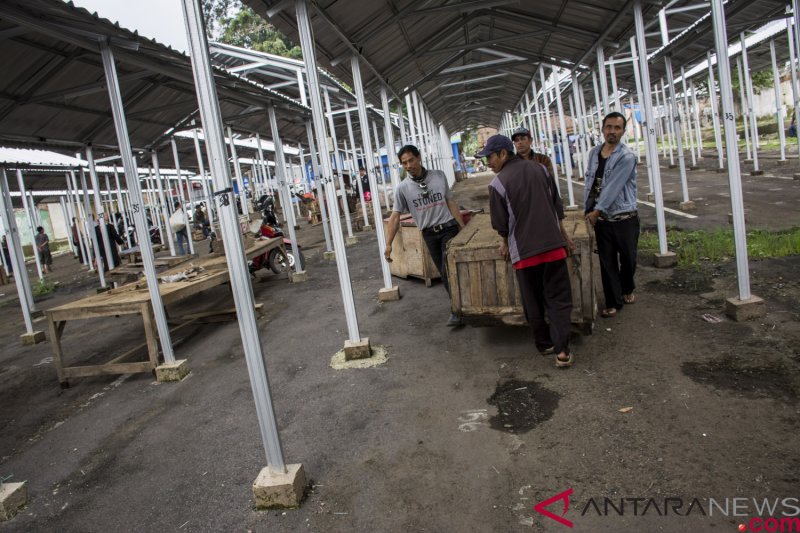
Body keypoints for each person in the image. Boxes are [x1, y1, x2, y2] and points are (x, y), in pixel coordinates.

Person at [482, 135, 575, 368]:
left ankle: (544, 344)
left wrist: (505, 241)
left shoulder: (497, 184)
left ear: (503, 153)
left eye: (490, 157)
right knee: (559, 300)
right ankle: (562, 350)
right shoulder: (540, 169)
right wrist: (563, 235)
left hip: (524, 255)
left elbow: (501, 224)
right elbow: (556, 204)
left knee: (532, 300)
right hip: (553, 248)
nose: (488, 163)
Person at [384, 144, 466, 326]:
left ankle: (458, 310)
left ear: (419, 157)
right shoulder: (403, 189)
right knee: (445, 273)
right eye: (404, 163)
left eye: (411, 160)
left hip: (448, 228)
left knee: (447, 269)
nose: (408, 166)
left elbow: (450, 201)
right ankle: (460, 307)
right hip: (429, 234)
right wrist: (388, 244)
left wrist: (461, 226)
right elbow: (395, 216)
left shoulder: (439, 176)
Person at [584, 111, 639, 318]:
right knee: (607, 263)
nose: (612, 131)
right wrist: (587, 208)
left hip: (625, 218)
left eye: (617, 128)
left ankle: (627, 288)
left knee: (629, 260)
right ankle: (613, 302)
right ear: (602, 129)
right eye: (609, 127)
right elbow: (591, 185)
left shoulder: (626, 157)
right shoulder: (594, 153)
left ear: (623, 131)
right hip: (603, 220)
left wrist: (597, 210)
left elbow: (612, 188)